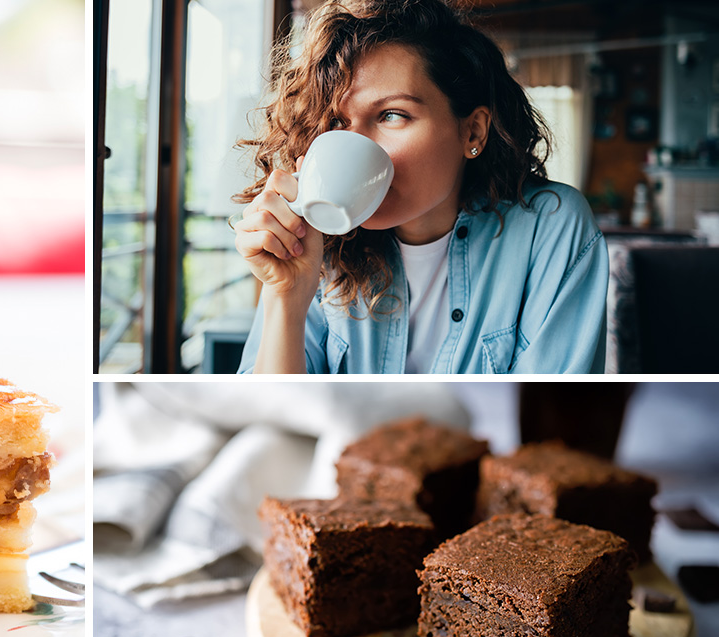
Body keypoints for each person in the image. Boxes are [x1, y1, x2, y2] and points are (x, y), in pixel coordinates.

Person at [232, 0, 607, 374]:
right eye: (335, 120)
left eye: (391, 115)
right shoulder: (316, 243)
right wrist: (286, 299)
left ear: (472, 130)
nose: (355, 145)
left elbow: (550, 413)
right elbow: (273, 421)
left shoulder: (549, 227)